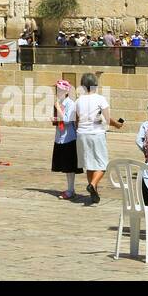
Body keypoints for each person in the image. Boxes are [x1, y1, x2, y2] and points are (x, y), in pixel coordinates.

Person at [75, 73, 123, 205]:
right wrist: (117, 124)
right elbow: (107, 119)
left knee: (90, 164)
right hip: (96, 134)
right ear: (95, 85)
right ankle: (93, 184)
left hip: (82, 133)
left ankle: (93, 190)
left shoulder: (78, 100)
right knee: (102, 164)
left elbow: (77, 121)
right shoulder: (101, 99)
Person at [51, 79, 82, 200]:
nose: (58, 92)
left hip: (69, 138)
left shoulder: (70, 103)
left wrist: (58, 108)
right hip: (60, 136)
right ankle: (70, 189)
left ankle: (70, 189)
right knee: (65, 166)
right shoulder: (59, 102)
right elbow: (60, 118)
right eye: (57, 90)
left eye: (60, 90)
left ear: (66, 92)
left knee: (70, 167)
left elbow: (68, 120)